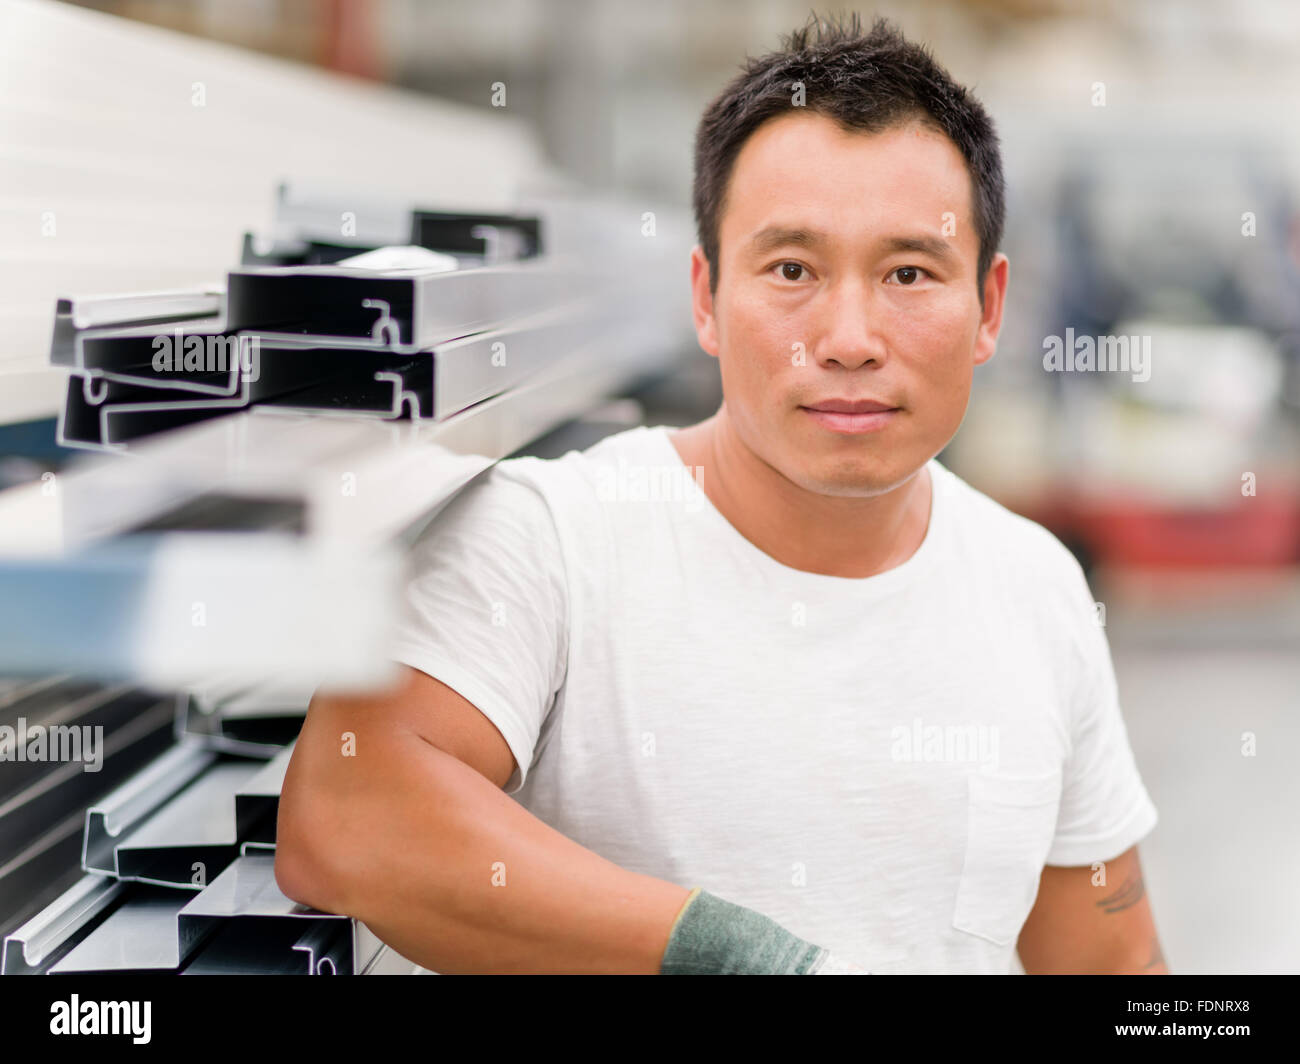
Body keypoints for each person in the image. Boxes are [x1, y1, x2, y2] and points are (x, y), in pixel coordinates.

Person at [276, 12, 1165, 975]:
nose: (850, 337)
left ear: (988, 307)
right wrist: (734, 959)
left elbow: (1114, 970)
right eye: (792, 270)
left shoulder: (1035, 588)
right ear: (704, 297)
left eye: (909, 272)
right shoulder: (551, 539)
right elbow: (346, 815)